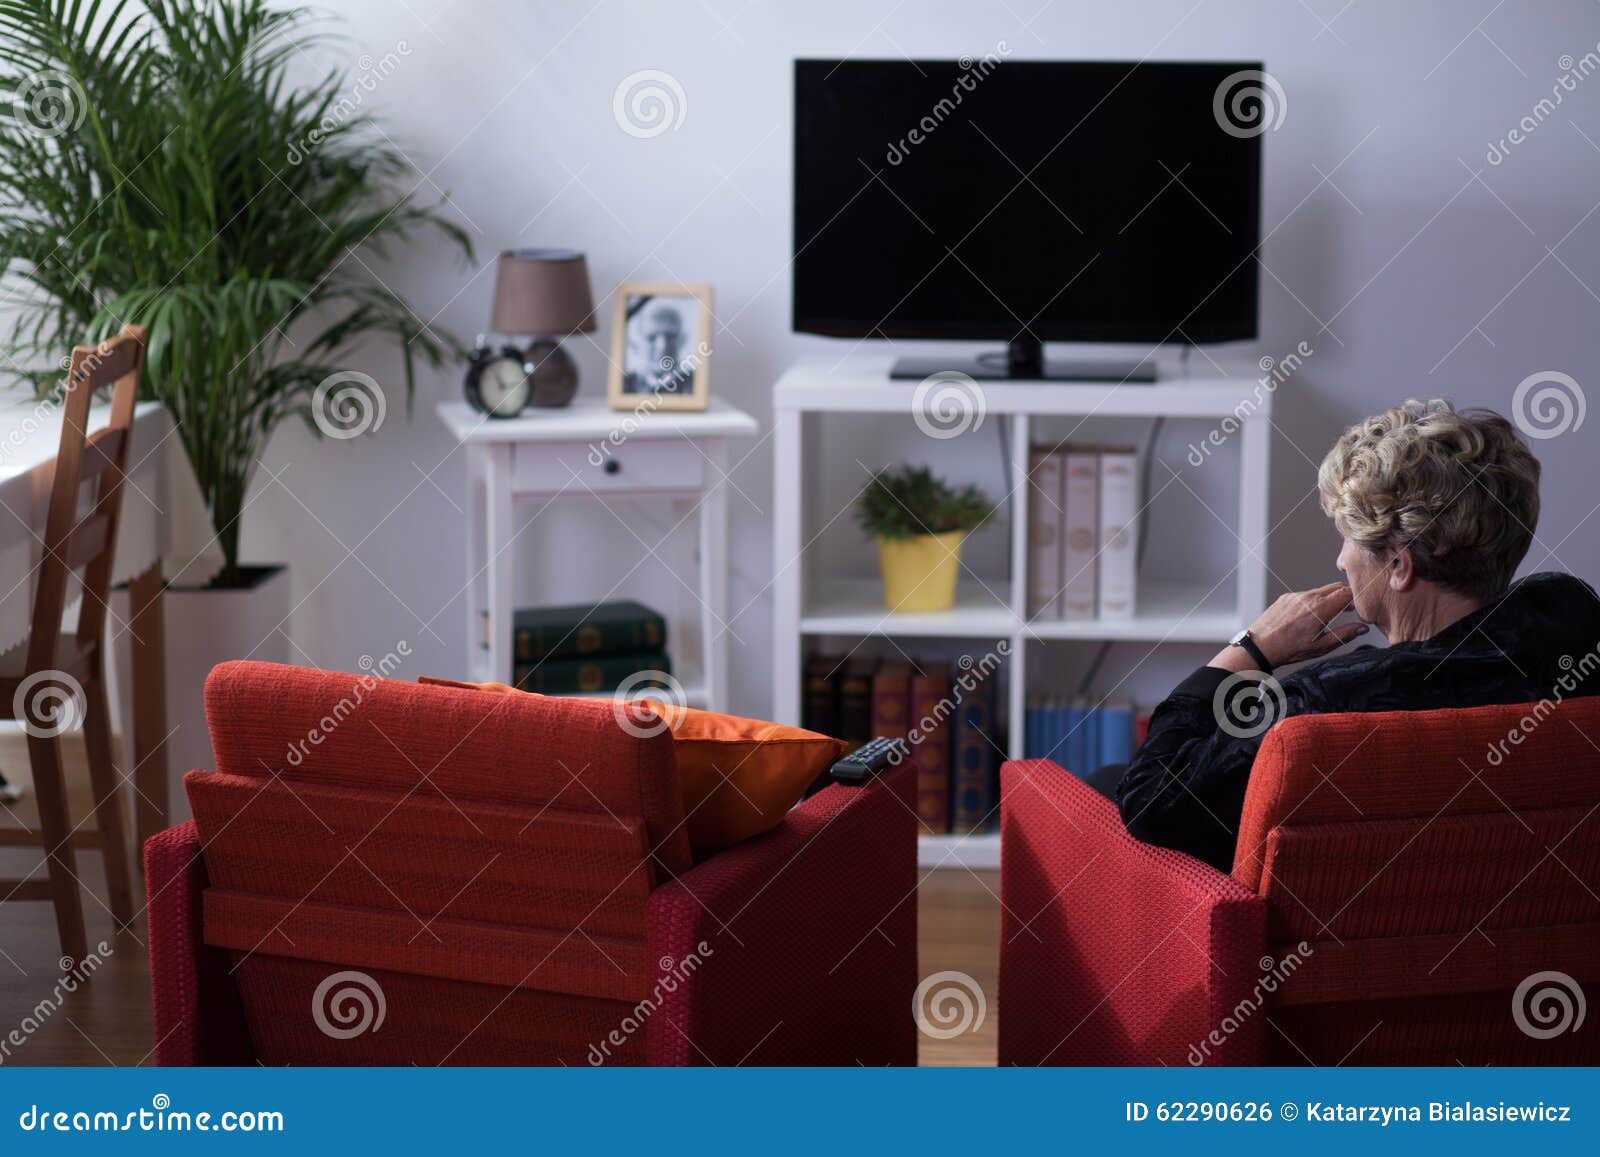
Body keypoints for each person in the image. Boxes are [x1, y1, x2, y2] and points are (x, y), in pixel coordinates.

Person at [1091, 398, 1600, 872]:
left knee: (1102, 782)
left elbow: (1154, 805)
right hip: (1515, 936)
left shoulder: (1331, 703)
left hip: (1305, 952)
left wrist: (1248, 652)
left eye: (1349, 539)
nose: (1340, 559)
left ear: (1399, 567)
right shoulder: (1573, 627)